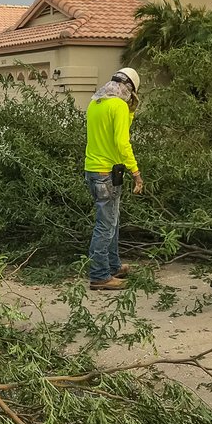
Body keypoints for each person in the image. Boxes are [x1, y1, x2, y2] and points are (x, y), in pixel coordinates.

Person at [83, 67, 143, 291]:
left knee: (112, 221)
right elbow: (122, 142)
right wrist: (136, 172)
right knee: (105, 225)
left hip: (93, 170)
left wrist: (130, 112)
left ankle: (113, 266)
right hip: (107, 173)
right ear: (131, 90)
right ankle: (99, 275)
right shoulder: (118, 105)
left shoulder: (95, 103)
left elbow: (113, 133)